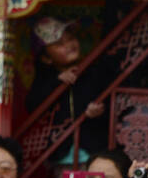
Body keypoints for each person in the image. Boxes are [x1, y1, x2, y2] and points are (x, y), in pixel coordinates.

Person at [24, 17, 114, 155]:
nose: (69, 45)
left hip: (94, 148)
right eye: (59, 44)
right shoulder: (45, 80)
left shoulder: (93, 71)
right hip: (61, 151)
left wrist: (99, 110)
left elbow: (111, 101)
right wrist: (57, 82)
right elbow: (32, 105)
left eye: (71, 38)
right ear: (46, 58)